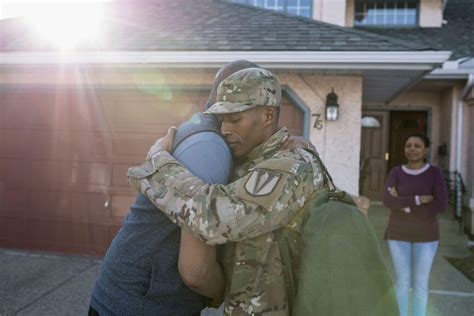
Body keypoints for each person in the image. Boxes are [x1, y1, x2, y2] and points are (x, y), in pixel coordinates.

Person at [128, 67, 327, 315]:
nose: (224, 130)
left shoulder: (292, 166)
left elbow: (215, 219)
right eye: (222, 120)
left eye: (235, 119)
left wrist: (158, 163)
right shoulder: (256, 159)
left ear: (267, 116)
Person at [89, 60, 259, 315]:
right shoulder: (209, 148)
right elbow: (196, 271)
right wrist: (219, 291)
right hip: (138, 304)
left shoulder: (207, 132)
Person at [383, 133, 448, 316]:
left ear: (426, 150)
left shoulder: (434, 173)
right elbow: (387, 200)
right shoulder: (396, 172)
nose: (412, 149)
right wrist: (419, 199)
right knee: (402, 283)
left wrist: (403, 204)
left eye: (417, 145)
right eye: (408, 145)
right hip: (398, 234)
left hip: (426, 236)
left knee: (420, 285)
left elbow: (441, 204)